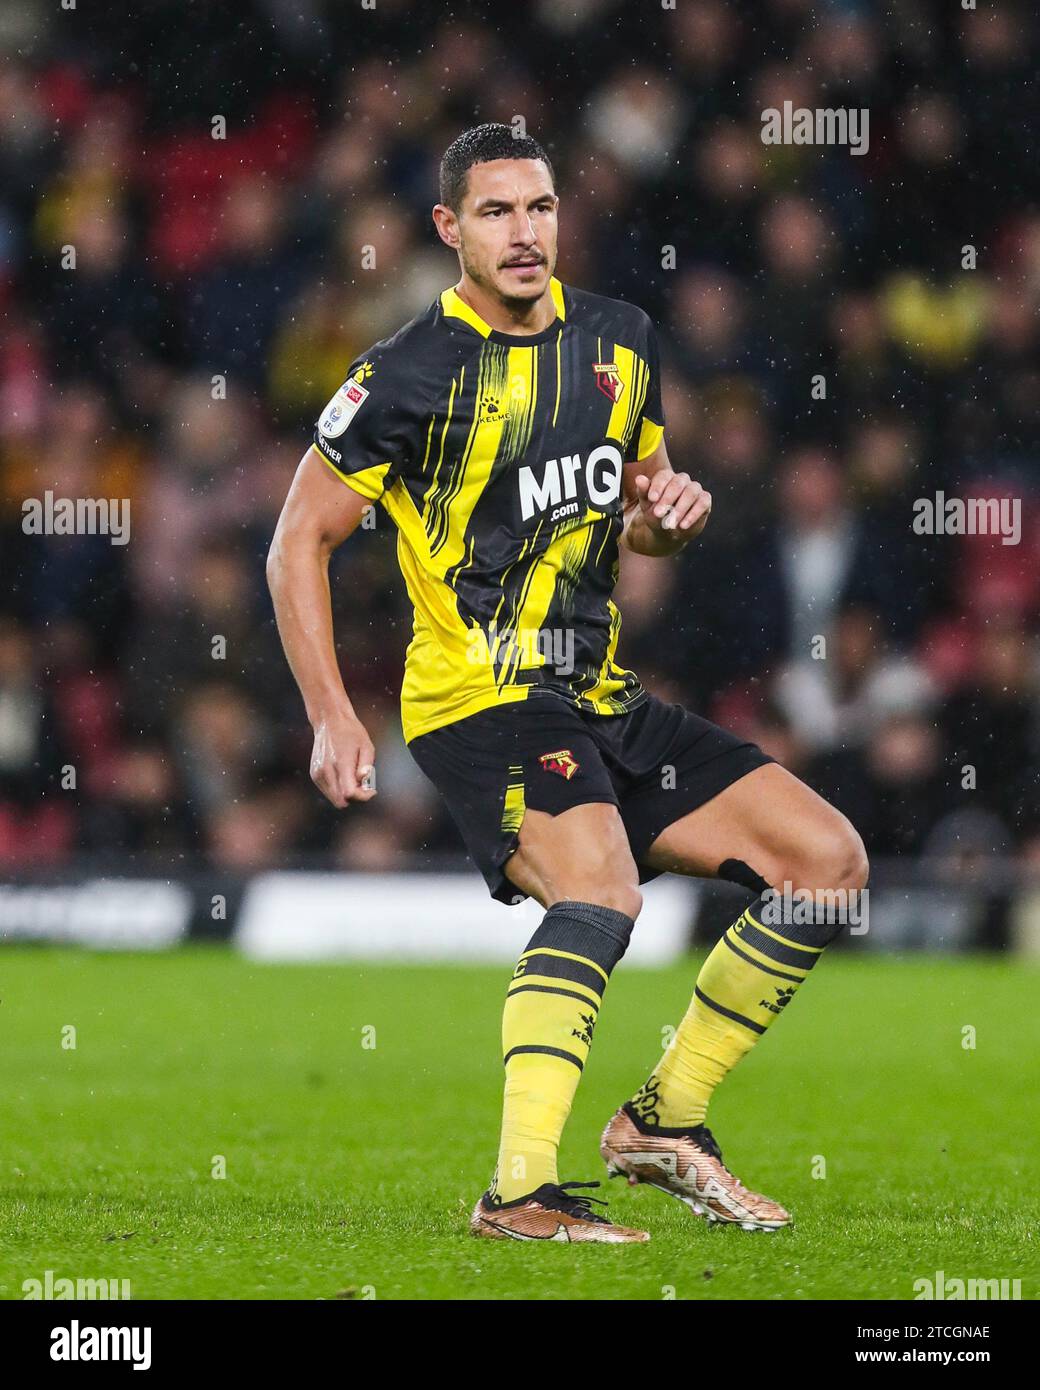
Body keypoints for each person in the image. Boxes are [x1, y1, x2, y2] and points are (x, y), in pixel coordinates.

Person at [267, 124, 868, 1243]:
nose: (523, 231)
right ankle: (518, 1192)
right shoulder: (401, 374)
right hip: (477, 702)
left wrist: (665, 519)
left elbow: (640, 518)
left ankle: (664, 1119)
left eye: (537, 207)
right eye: (494, 212)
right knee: (600, 892)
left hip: (601, 694)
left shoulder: (619, 340)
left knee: (826, 864)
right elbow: (295, 539)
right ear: (448, 230)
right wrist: (328, 711)